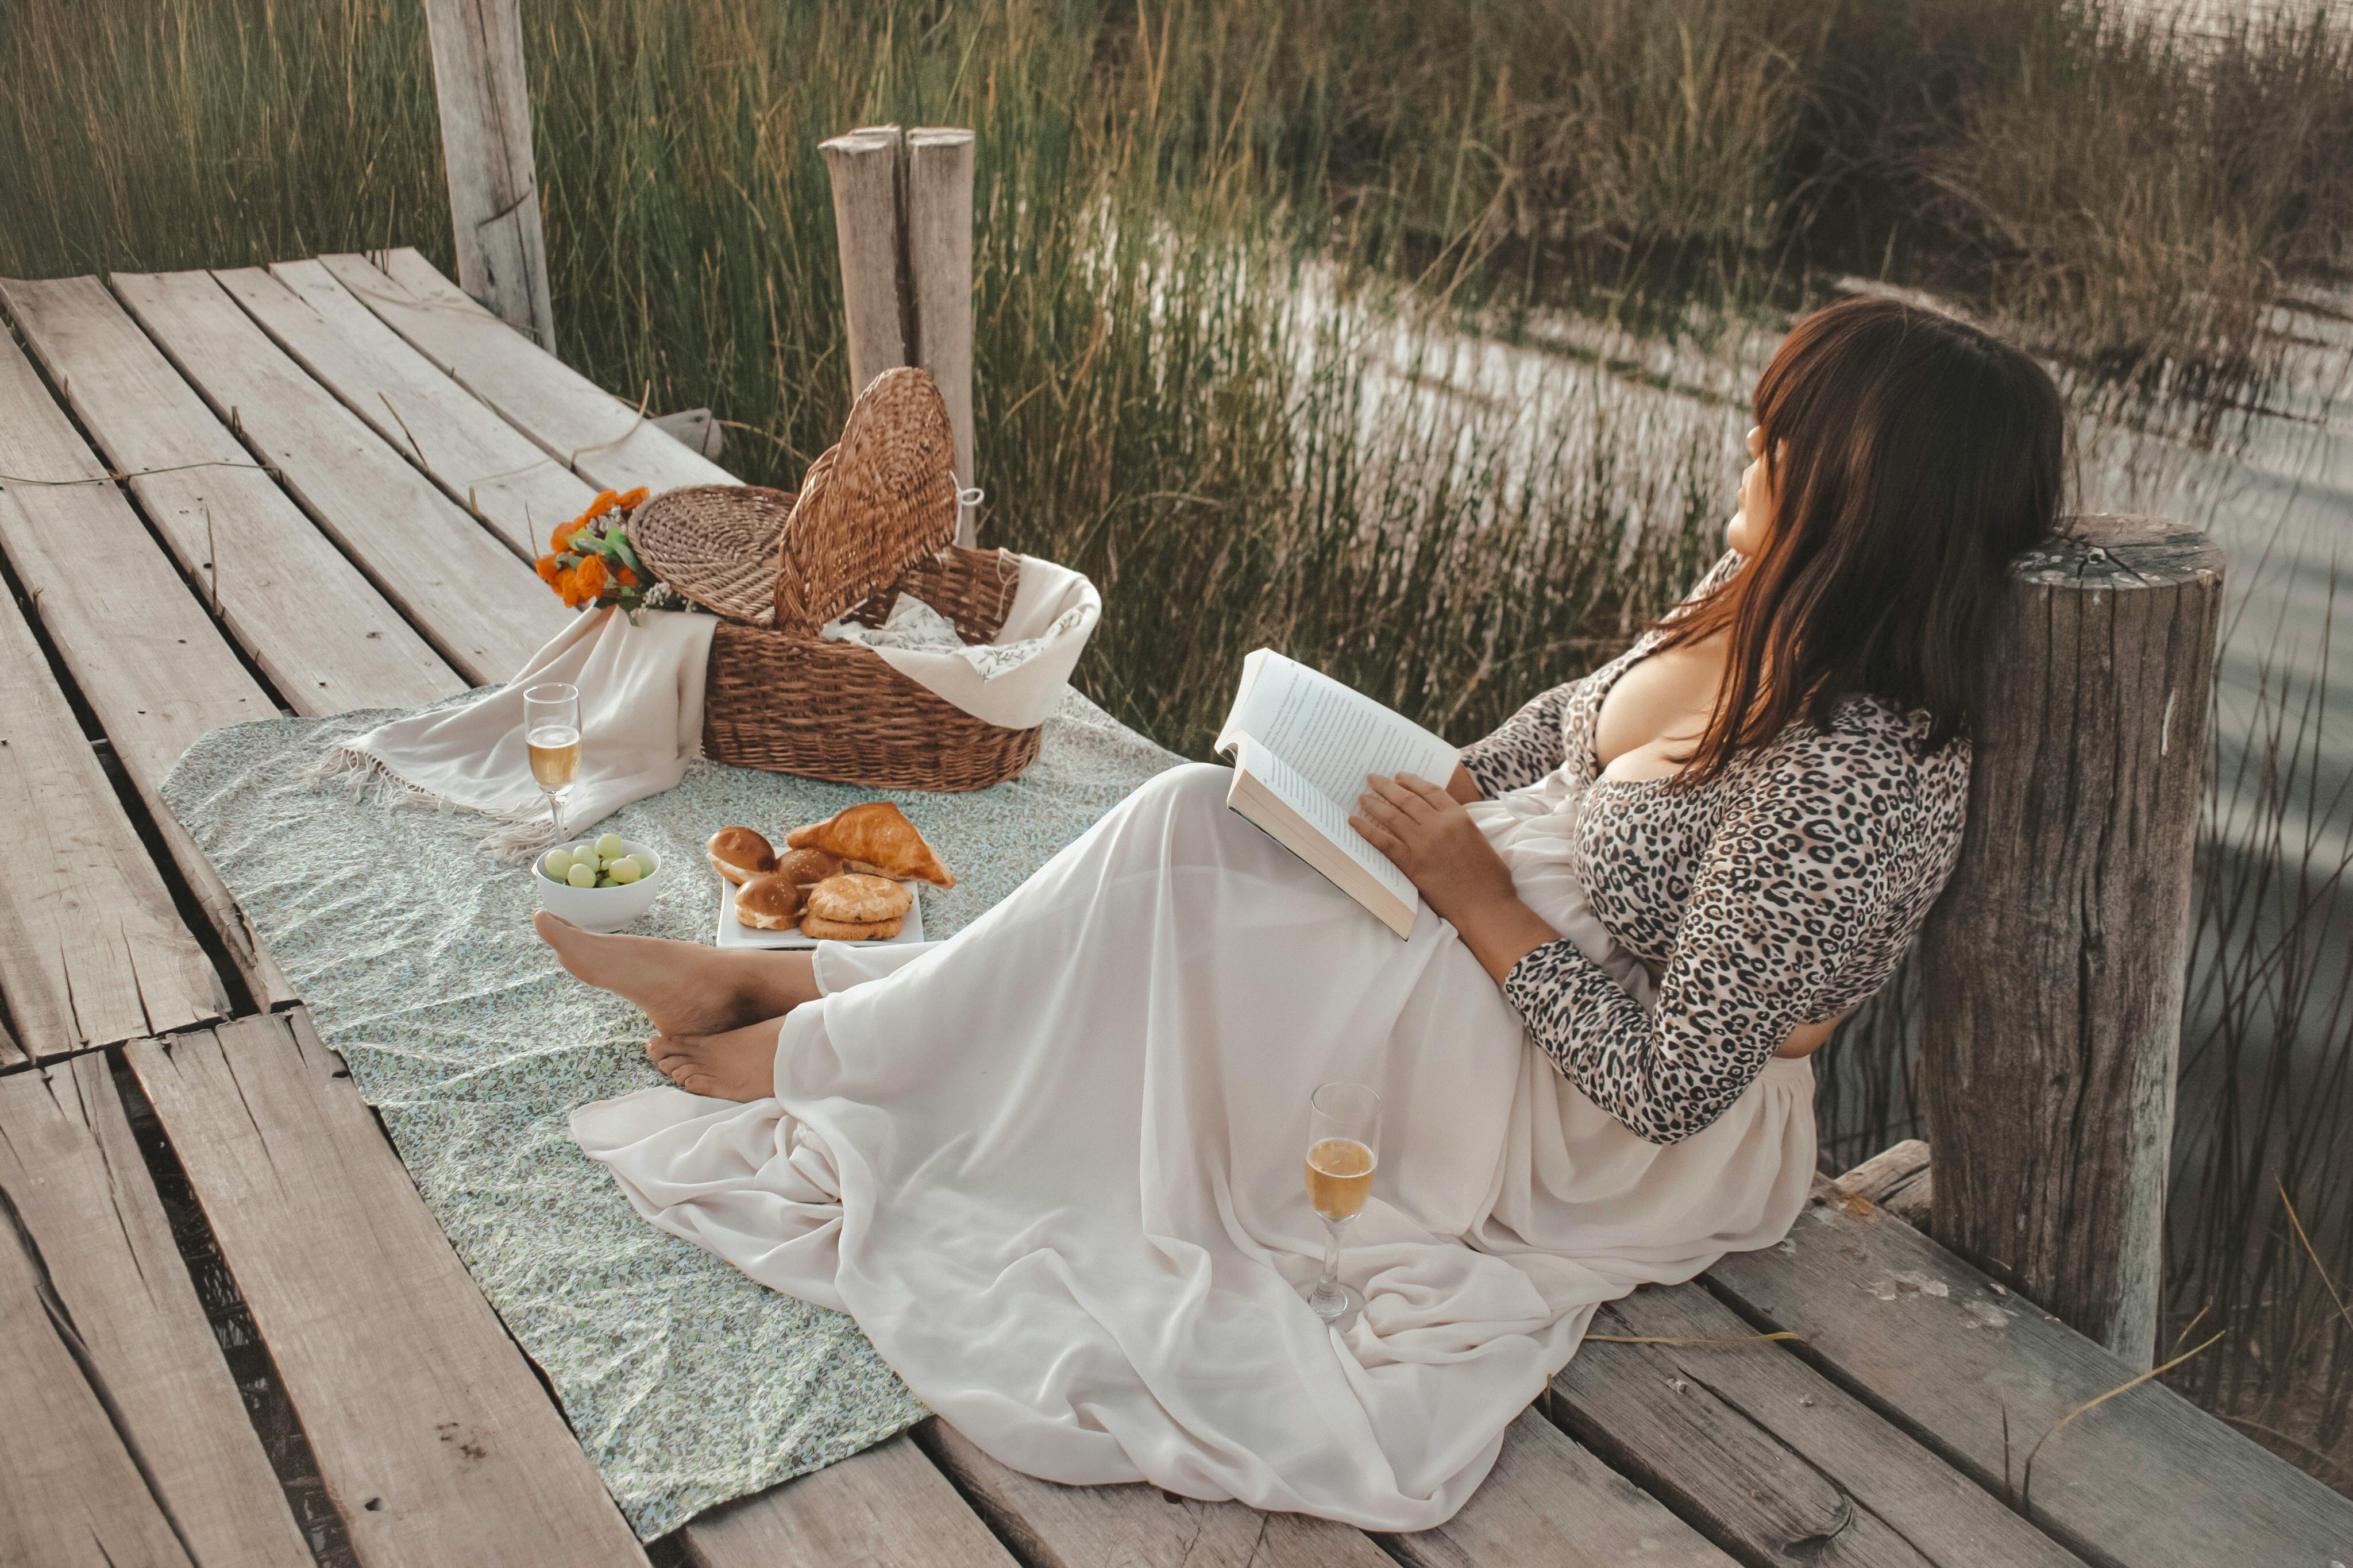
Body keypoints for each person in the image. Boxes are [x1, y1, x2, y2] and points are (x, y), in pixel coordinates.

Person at [541, 294, 2066, 1529]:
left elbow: (1674, 1089)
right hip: (1487, 944)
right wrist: (1425, 791)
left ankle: (807, 1030)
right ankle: (812, 1007)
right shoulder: (1762, 599)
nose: (1743, 473)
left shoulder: (1853, 781)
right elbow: (1560, 733)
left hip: (1580, 1119)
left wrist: (1472, 893)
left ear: (1864, 504)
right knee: (1191, 831)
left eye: (1777, 452)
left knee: (1187, 860)